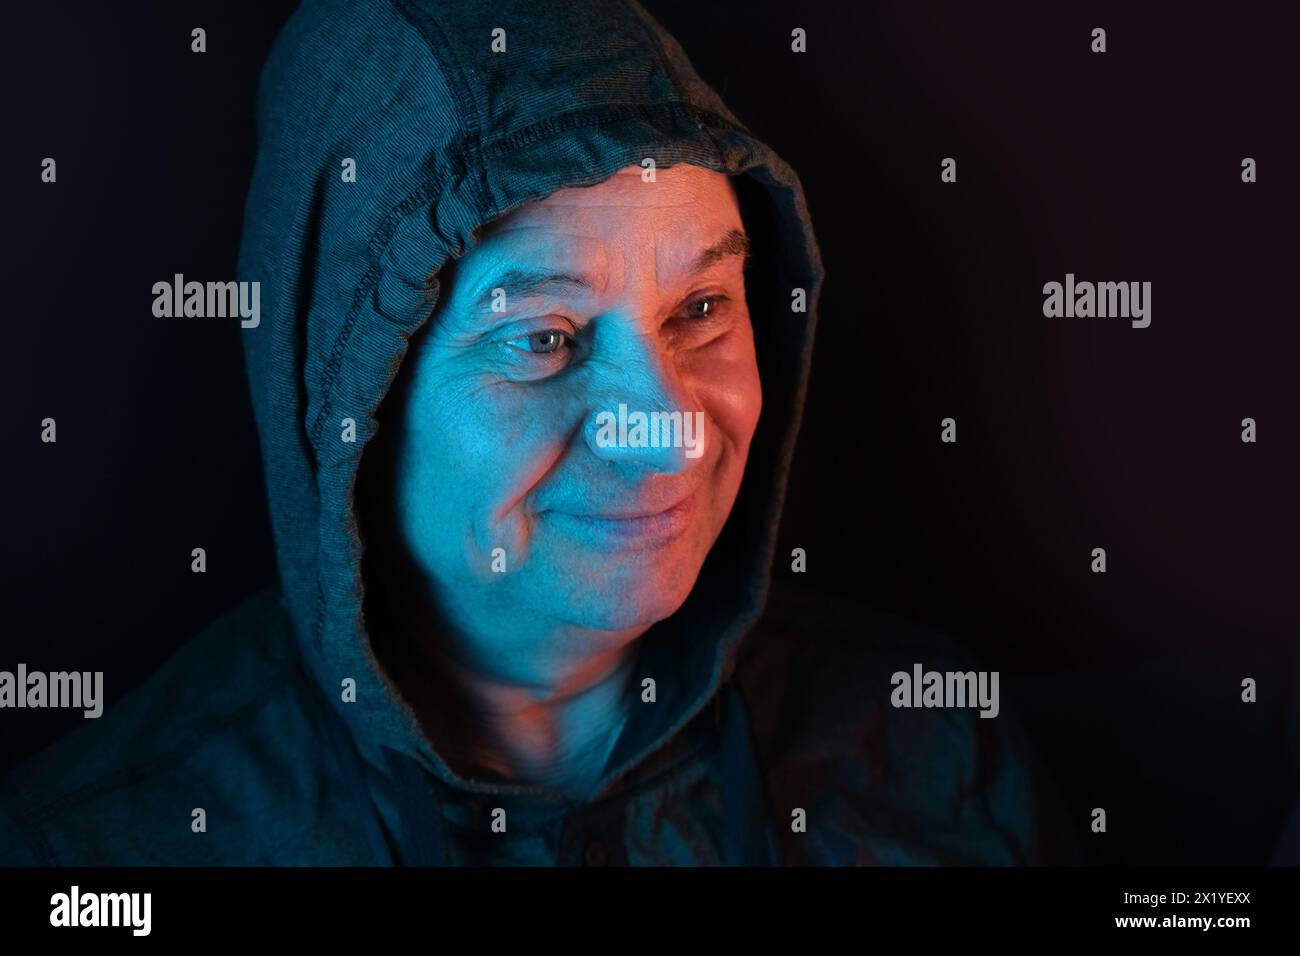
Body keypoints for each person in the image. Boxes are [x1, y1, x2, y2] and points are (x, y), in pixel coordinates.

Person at [0, 0, 1076, 865]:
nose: (665, 435)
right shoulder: (96, 850)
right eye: (547, 340)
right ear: (350, 406)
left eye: (700, 310)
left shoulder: (929, 739)